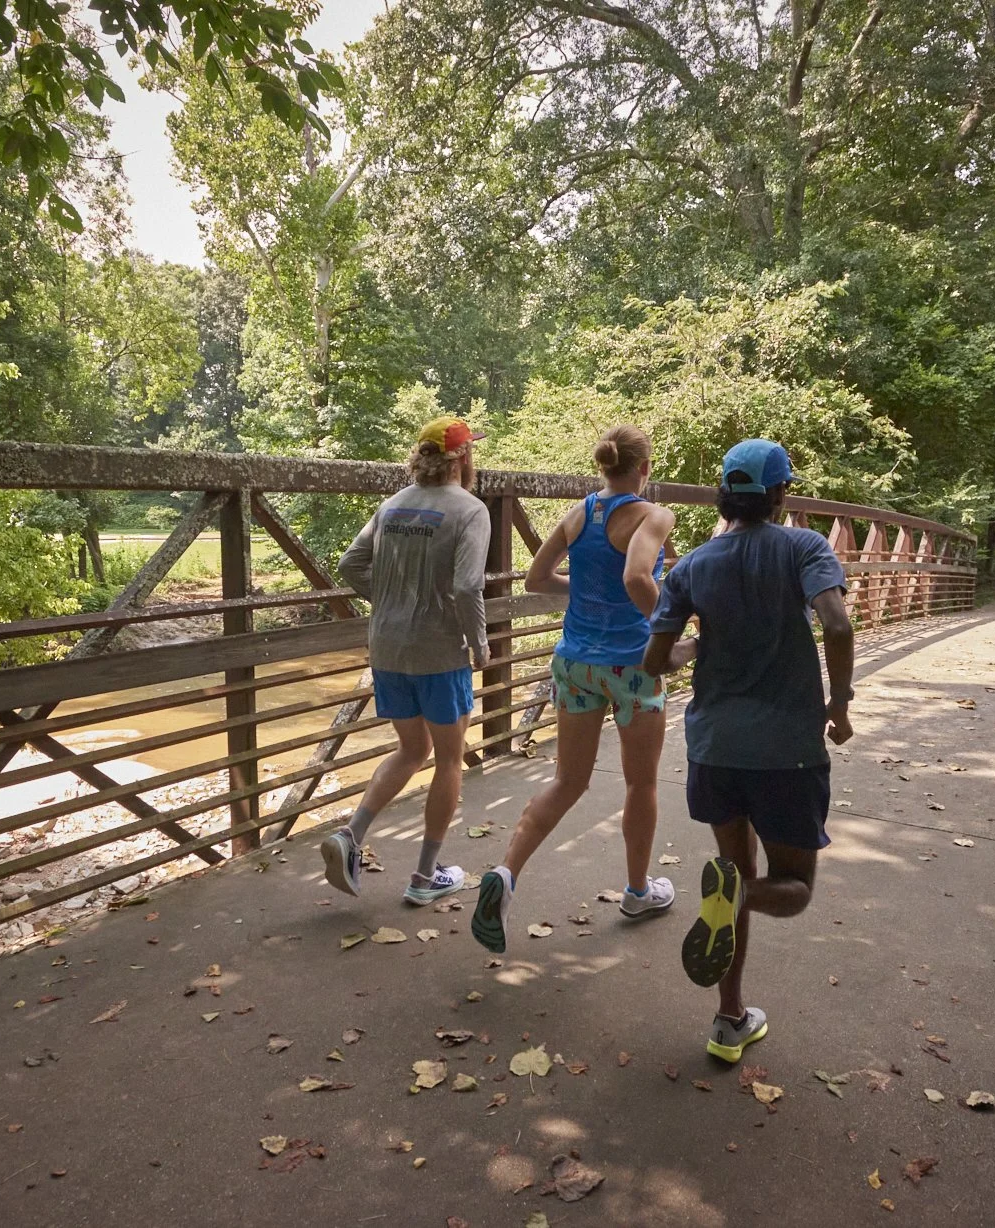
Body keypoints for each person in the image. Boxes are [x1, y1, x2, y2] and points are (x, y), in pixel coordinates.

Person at [642, 440, 855, 1064]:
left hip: (714, 749)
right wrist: (838, 705)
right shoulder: (804, 547)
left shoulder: (689, 568)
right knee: (789, 888)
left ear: (723, 496)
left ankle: (730, 1019)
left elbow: (657, 660)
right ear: (781, 494)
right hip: (786, 751)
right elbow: (837, 626)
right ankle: (735, 897)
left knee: (731, 871)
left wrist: (693, 652)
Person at [472, 426, 679, 953]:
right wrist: (670, 630)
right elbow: (637, 578)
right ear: (644, 469)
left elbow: (536, 579)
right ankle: (637, 891)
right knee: (641, 784)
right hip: (632, 667)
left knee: (568, 780)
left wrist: (589, 592)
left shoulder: (579, 513)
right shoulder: (653, 515)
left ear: (604, 468)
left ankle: (506, 872)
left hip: (575, 664)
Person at [322, 417, 490, 905]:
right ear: (462, 458)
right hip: (439, 650)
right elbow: (465, 586)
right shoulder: (470, 510)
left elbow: (350, 564)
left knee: (411, 750)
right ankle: (423, 877)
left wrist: (394, 600)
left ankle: (350, 834)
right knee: (450, 759)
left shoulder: (392, 505)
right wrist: (478, 643)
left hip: (388, 647)